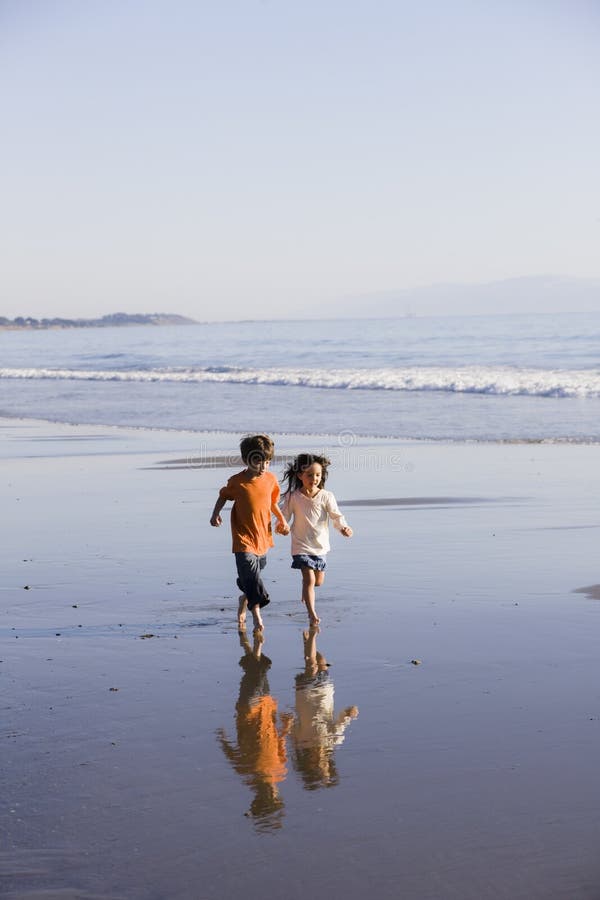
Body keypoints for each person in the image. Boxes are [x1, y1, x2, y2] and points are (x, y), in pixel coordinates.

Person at [210, 434, 289, 633]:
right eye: (258, 461)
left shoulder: (270, 479)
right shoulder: (237, 482)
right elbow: (223, 496)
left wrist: (282, 520)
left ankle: (244, 597)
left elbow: (272, 503)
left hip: (262, 537)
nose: (263, 466)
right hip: (242, 538)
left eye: (267, 462)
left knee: (253, 576)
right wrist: (215, 513)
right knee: (252, 576)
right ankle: (257, 615)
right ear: (247, 460)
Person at [277, 453, 352, 626]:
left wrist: (343, 528)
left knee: (317, 582)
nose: (314, 478)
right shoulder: (293, 497)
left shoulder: (326, 496)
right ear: (300, 476)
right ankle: (312, 615)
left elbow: (336, 516)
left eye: (317, 475)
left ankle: (306, 589)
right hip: (300, 545)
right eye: (310, 475)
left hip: (320, 547)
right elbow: (283, 516)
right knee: (309, 579)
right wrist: (281, 527)